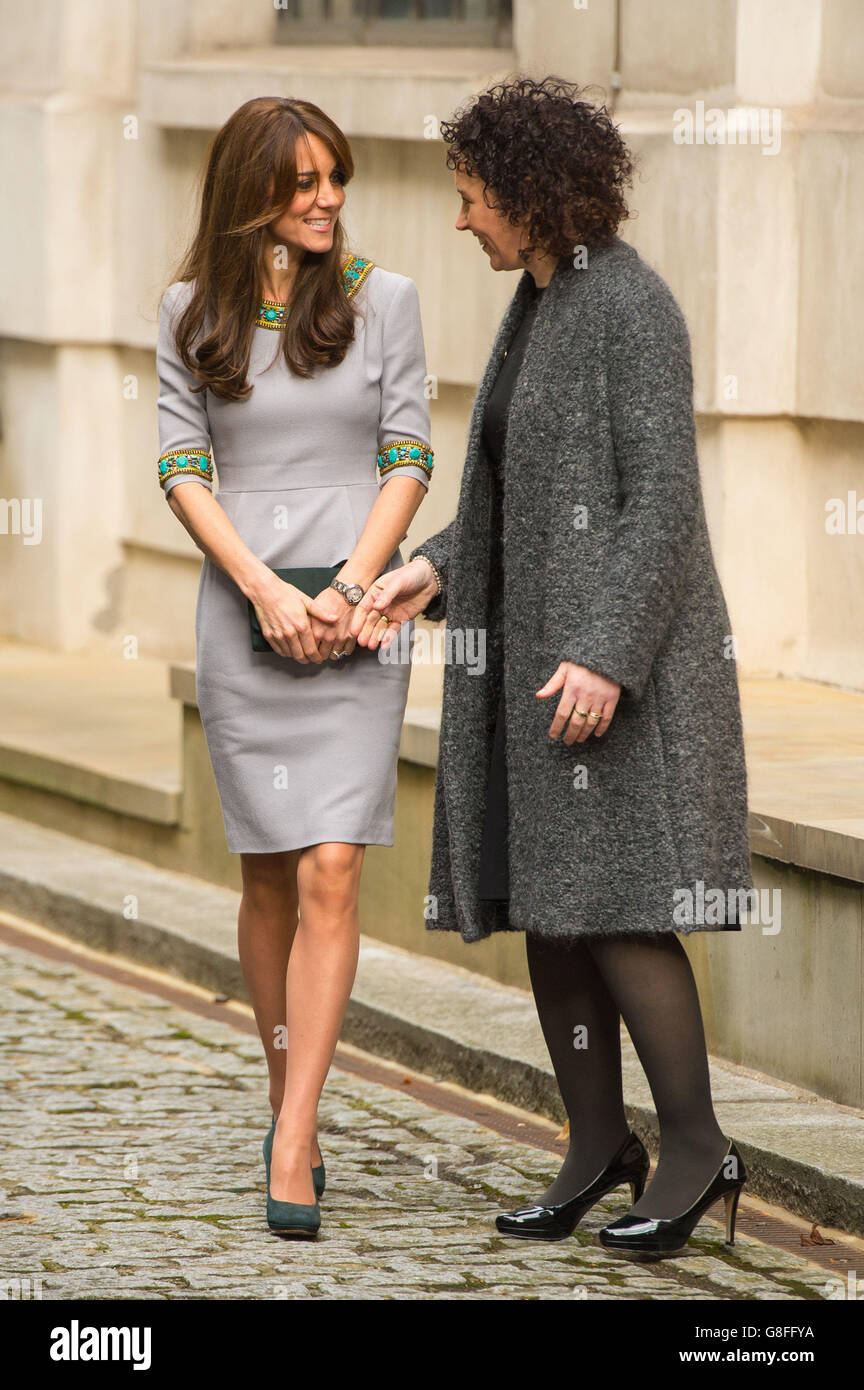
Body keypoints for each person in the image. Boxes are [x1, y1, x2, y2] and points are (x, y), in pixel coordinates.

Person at [352, 76, 752, 1257]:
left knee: (622, 914)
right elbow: (519, 501)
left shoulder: (630, 307)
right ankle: (595, 1142)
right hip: (538, 677)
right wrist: (432, 569)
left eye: (472, 198)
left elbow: (664, 506)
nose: (461, 219)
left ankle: (696, 1148)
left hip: (617, 681)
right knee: (552, 910)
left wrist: (608, 656)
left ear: (529, 195)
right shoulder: (540, 301)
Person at [155, 95, 432, 1238]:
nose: (326, 199)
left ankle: (295, 1132)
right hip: (244, 618)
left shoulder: (387, 301)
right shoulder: (186, 314)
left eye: (336, 178)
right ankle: (291, 1095)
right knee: (269, 872)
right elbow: (179, 465)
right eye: (303, 181)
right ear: (248, 193)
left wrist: (349, 588)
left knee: (331, 866)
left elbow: (410, 454)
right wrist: (265, 590)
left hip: (360, 621)